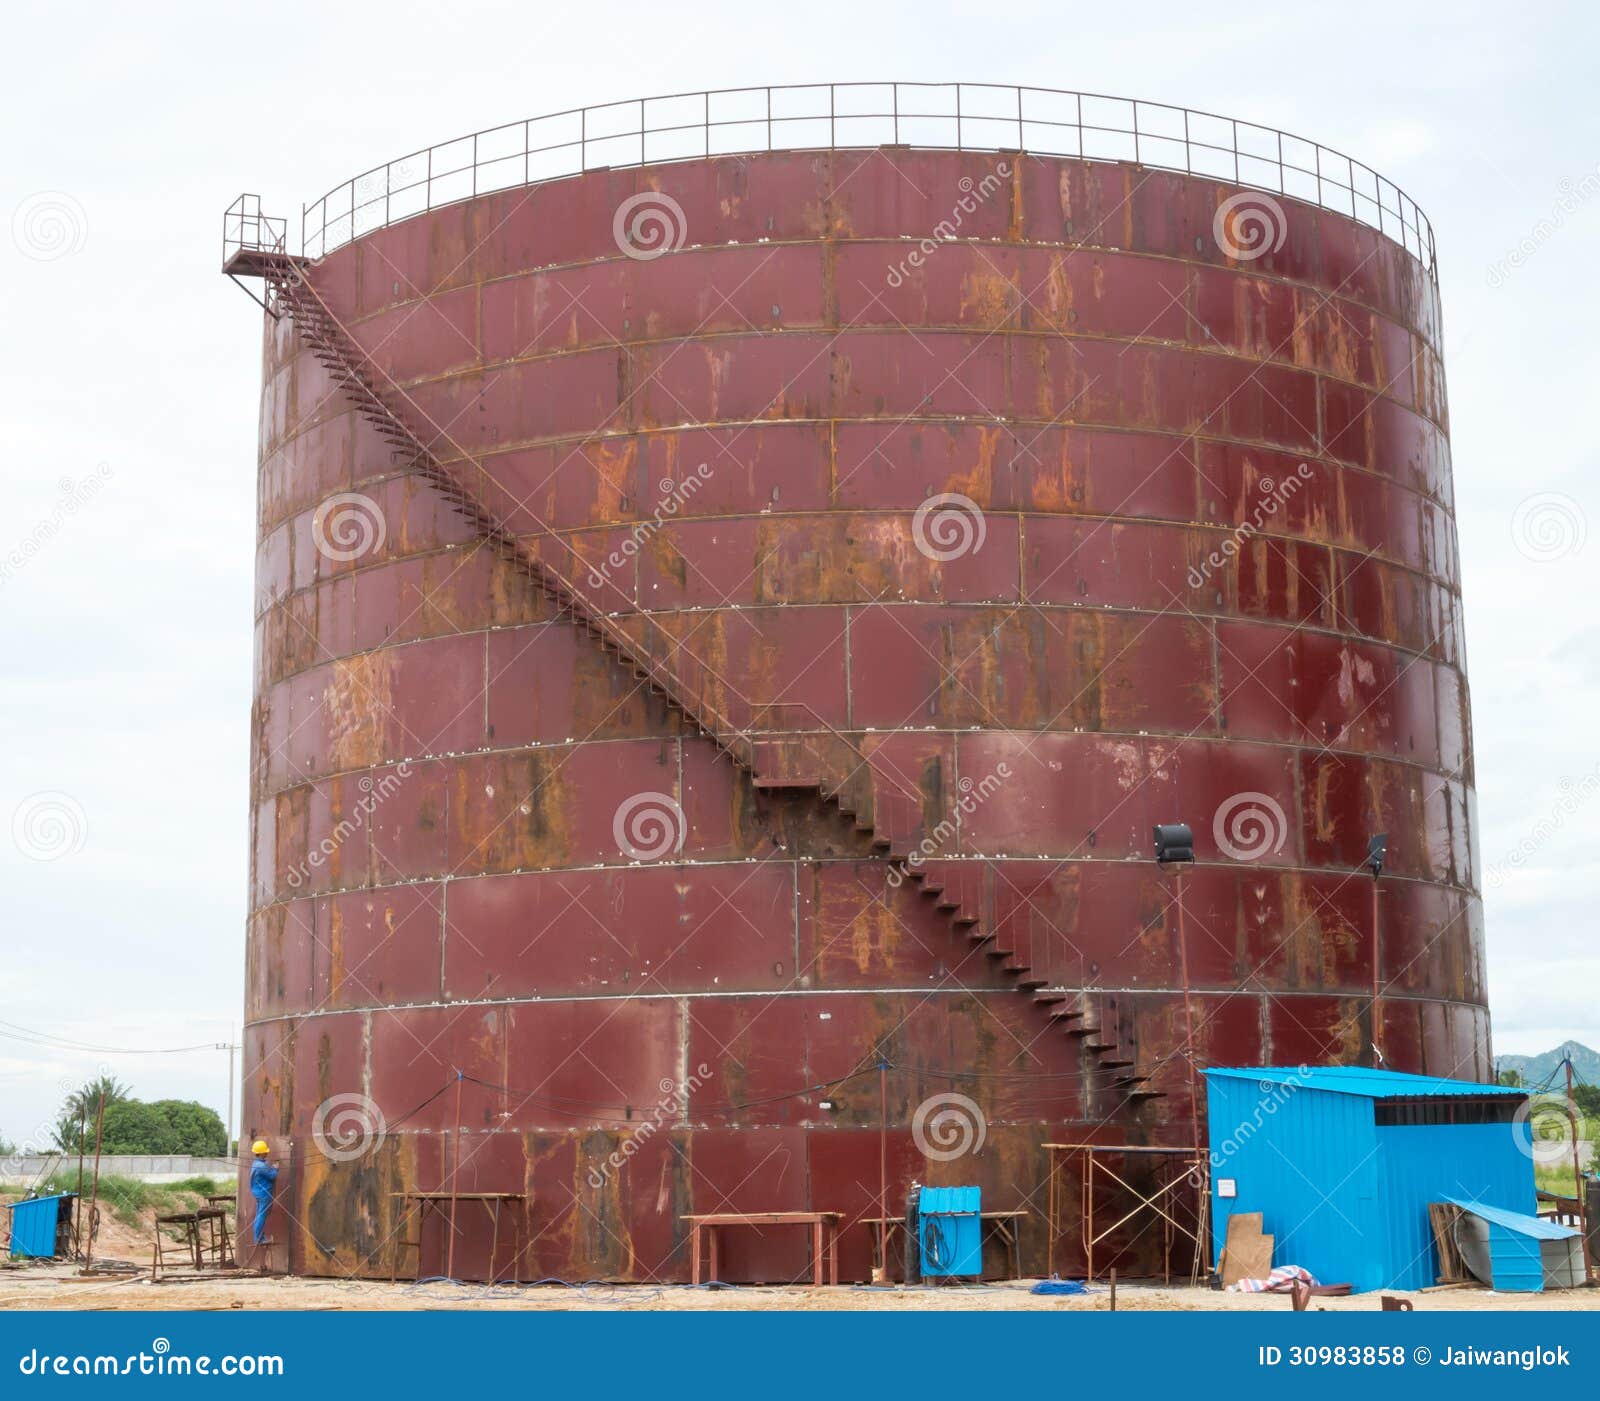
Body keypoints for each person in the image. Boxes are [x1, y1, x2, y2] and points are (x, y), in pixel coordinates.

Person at [248, 1139, 279, 1245]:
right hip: (264, 1193)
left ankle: (259, 1236)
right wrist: (275, 1168)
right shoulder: (261, 1166)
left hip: (258, 1193)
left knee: (259, 1215)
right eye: (265, 1151)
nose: (267, 1152)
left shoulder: (256, 1163)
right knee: (261, 1215)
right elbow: (272, 1176)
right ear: (261, 1153)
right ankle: (258, 1239)